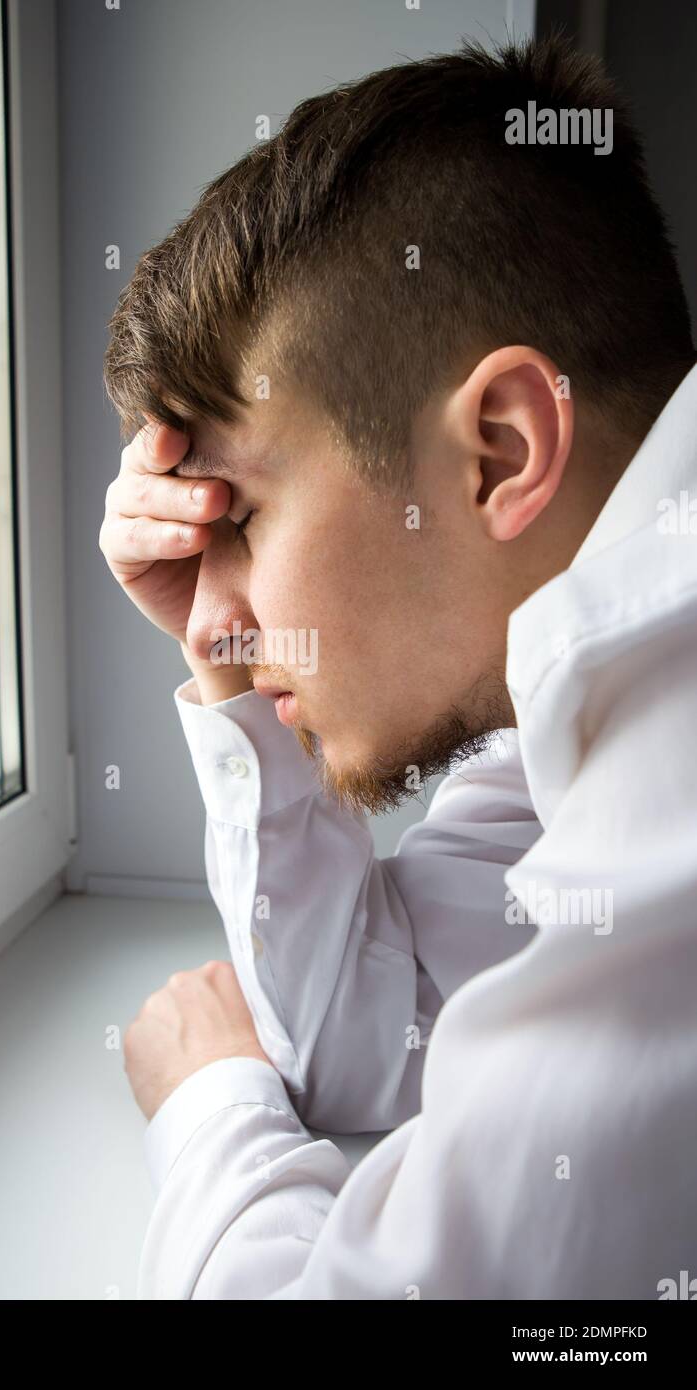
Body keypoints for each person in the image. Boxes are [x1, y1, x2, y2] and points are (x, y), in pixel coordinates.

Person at [98, 33, 697, 1298]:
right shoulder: (577, 680)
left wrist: (211, 1110)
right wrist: (221, 660)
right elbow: (389, 1028)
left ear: (495, 450)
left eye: (241, 520)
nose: (218, 613)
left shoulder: (674, 737)